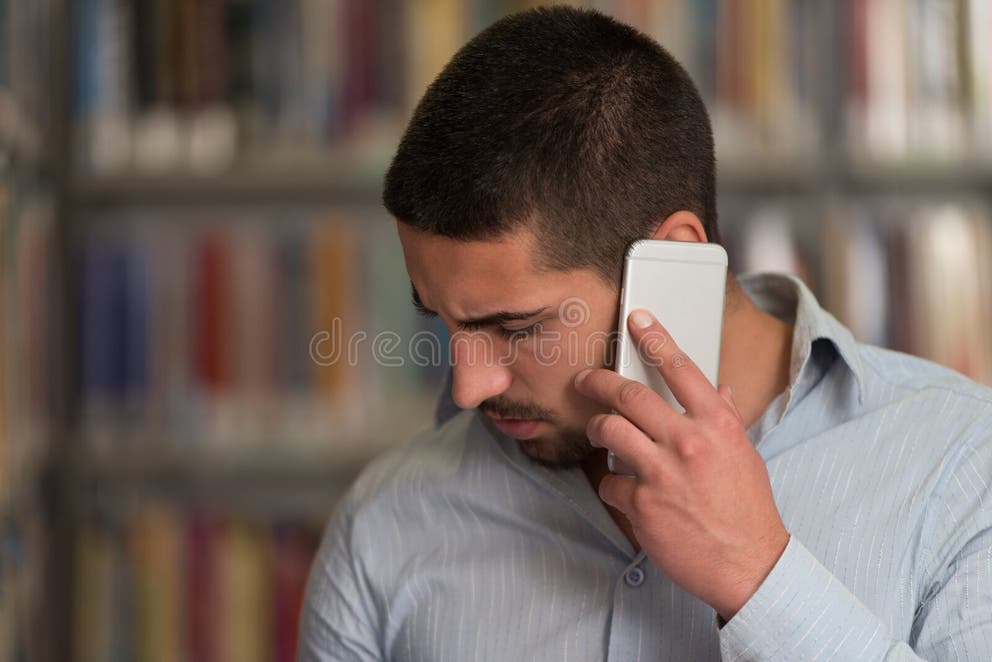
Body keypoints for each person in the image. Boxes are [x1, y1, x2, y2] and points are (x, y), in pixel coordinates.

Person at [299, 6, 992, 660]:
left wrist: (762, 580)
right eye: (439, 319)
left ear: (677, 260)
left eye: (516, 327)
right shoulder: (384, 527)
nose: (470, 385)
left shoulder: (962, 471)